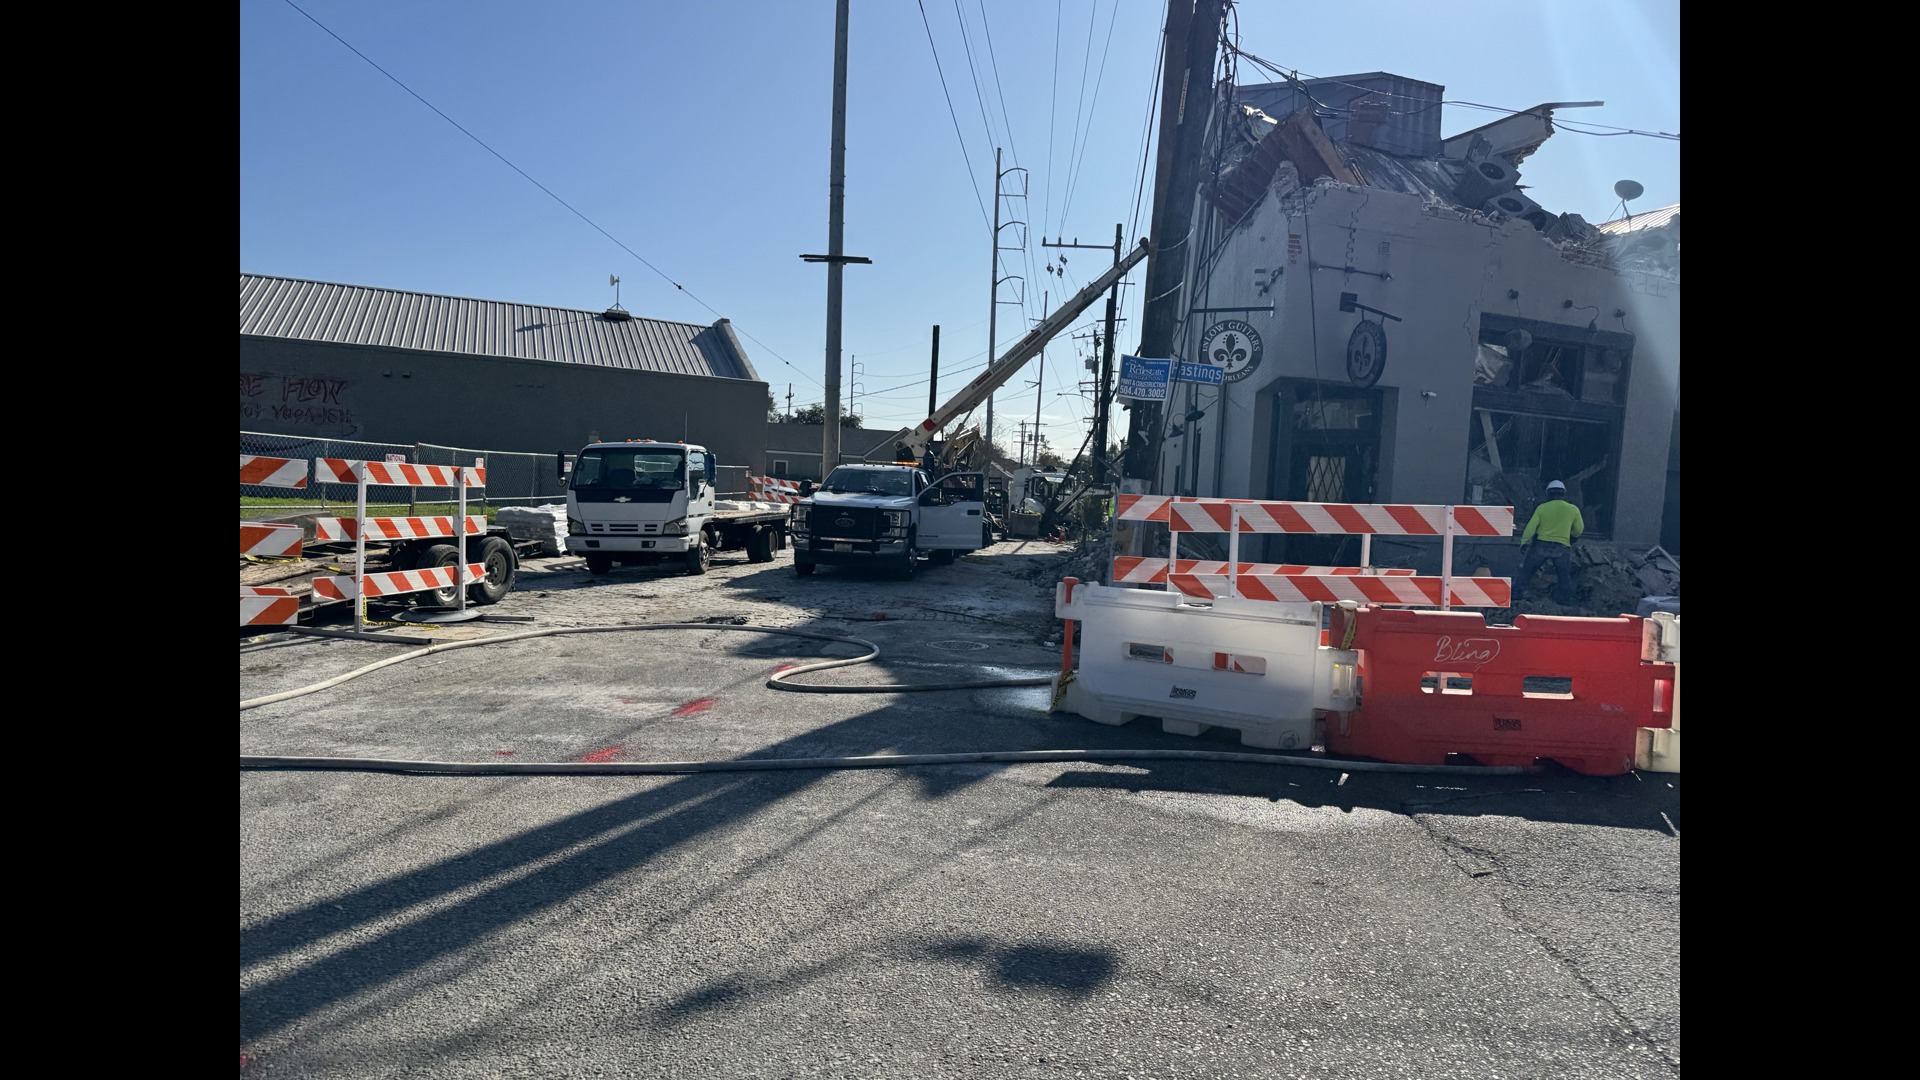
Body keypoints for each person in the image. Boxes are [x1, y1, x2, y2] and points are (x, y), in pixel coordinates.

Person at [1517, 480, 1584, 604]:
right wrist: (1573, 536)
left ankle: (1517, 595)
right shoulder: (1572, 509)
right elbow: (1579, 529)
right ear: (1564, 493)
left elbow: (1531, 527)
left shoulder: (1542, 508)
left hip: (1541, 546)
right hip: (1562, 547)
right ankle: (1563, 601)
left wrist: (1524, 542)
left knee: (1527, 571)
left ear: (1548, 494)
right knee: (1564, 576)